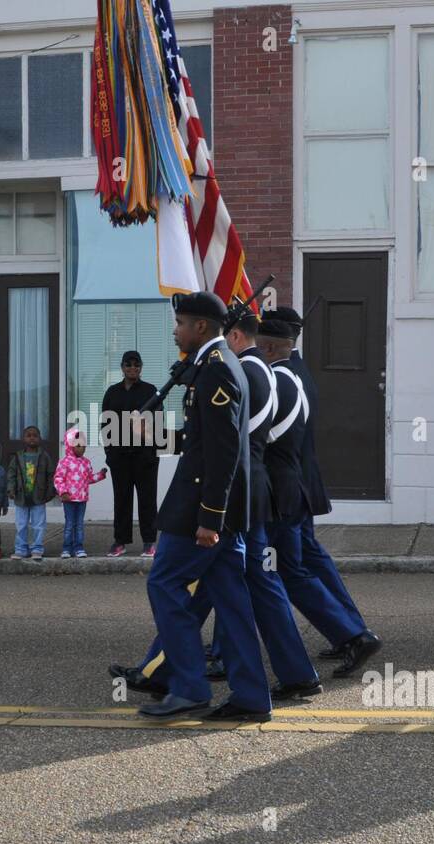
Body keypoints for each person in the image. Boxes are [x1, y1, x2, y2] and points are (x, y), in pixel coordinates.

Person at [135, 291, 272, 722]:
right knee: (232, 603)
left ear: (199, 328)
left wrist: (209, 518)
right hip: (220, 511)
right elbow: (205, 440)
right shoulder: (213, 366)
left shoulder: (216, 371)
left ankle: (190, 688)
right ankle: (251, 697)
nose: (174, 331)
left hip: (204, 511)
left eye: (179, 324)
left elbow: (224, 450)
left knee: (163, 584)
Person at [273, 308, 382, 676]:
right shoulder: (296, 371)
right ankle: (351, 631)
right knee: (308, 562)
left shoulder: (283, 376)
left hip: (287, 486)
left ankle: (351, 633)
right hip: (299, 483)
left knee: (284, 569)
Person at [102, 351, 160, 557]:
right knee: (122, 499)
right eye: (129, 365)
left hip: (145, 457)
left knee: (147, 500)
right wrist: (110, 453)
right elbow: (105, 423)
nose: (132, 368)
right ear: (122, 367)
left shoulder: (150, 391)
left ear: (141, 367)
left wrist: (152, 451)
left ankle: (149, 542)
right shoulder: (112, 392)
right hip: (120, 457)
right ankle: (120, 541)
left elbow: (158, 423)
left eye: (137, 365)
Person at [54, 427, 108, 558]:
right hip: (69, 499)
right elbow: (58, 478)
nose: (82, 448)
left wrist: (100, 475)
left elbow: (88, 479)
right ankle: (67, 548)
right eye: (78, 445)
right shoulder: (64, 463)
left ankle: (78, 547)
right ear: (70, 445)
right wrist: (63, 492)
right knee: (69, 524)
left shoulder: (86, 462)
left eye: (83, 445)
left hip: (82, 499)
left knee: (79, 524)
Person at [6, 425, 55, 561]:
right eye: (29, 435)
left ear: (39, 438)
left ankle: (37, 548)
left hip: (38, 496)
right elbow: (11, 474)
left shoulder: (44, 456)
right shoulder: (17, 456)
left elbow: (51, 475)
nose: (32, 438)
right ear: (23, 438)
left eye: (35, 435)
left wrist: (50, 491)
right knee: (21, 524)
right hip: (21, 497)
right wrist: (11, 489)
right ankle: (21, 549)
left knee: (38, 524)